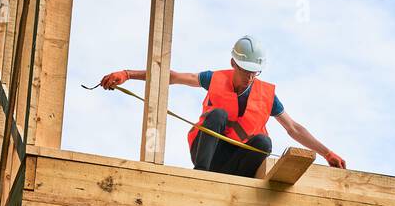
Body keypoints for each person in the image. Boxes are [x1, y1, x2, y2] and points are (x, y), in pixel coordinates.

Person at [99, 35, 347, 177]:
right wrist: (128, 74)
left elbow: (293, 128)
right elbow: (173, 77)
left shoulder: (266, 94)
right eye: (245, 70)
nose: (250, 77)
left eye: (254, 71)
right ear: (233, 63)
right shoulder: (214, 78)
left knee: (264, 143)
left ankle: (235, 186)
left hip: (233, 163)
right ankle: (202, 177)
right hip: (207, 153)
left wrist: (327, 153)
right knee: (217, 114)